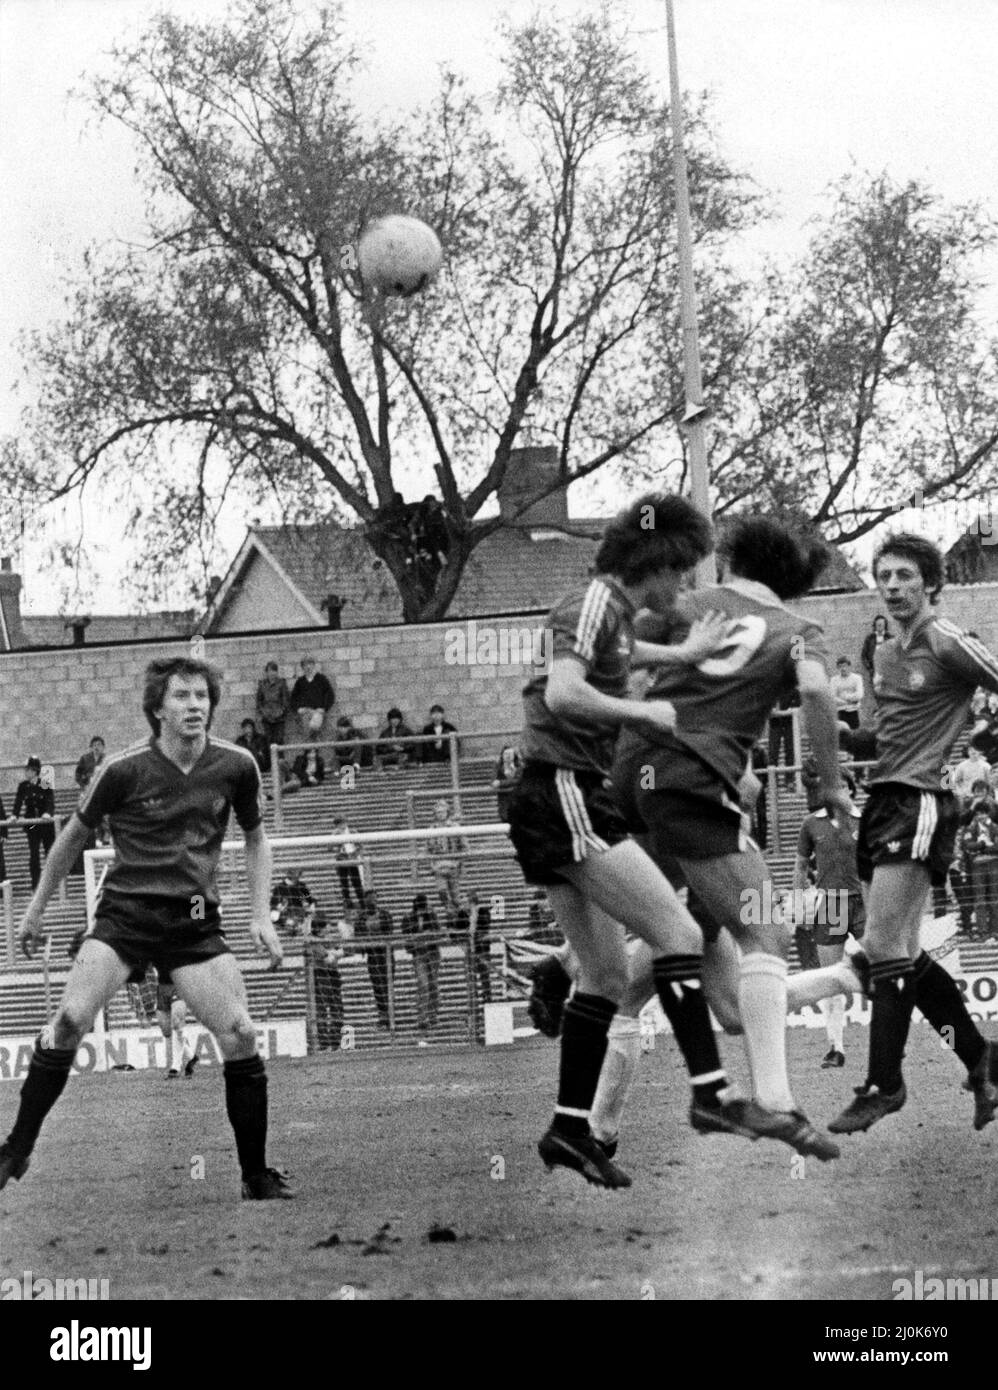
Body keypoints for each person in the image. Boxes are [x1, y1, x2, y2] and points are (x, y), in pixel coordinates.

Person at [506, 490, 757, 1190]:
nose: (682, 586)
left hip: (553, 796)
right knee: (678, 931)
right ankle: (710, 1091)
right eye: (681, 573)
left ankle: (568, 1130)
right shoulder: (589, 604)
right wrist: (644, 713)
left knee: (610, 977)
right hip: (560, 790)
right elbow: (564, 693)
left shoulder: (610, 615)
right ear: (656, 563)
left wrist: (692, 649)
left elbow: (625, 650)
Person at [602, 515, 851, 1161]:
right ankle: (775, 1101)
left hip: (631, 772)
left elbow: (616, 647)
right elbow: (820, 693)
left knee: (694, 961)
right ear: (794, 581)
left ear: (734, 558)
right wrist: (831, 786)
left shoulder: (692, 604)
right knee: (764, 930)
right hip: (691, 778)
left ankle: (593, 1124)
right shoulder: (799, 630)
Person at [0, 656, 292, 1200]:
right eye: (181, 697)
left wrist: (259, 914)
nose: (194, 706)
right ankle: (16, 1149)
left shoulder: (236, 766)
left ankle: (255, 1175)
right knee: (68, 1021)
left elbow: (256, 839)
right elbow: (69, 839)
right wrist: (36, 909)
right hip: (125, 919)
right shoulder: (122, 769)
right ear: (157, 708)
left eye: (202, 696)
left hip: (194, 923)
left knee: (241, 1034)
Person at [826, 533, 998, 1137]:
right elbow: (883, 733)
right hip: (883, 801)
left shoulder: (945, 638)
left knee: (882, 947)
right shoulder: (884, 650)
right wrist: (839, 739)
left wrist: (989, 742)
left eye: (904, 575)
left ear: (930, 582)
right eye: (884, 576)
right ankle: (982, 1057)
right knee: (900, 950)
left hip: (922, 802)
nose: (893, 585)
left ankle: (884, 1084)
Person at [793, 784, 866, 1069]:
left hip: (862, 902)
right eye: (833, 787)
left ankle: (893, 1043)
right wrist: (799, 904)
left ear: (851, 789)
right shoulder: (811, 823)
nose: (838, 792)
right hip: (832, 906)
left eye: (844, 787)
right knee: (829, 978)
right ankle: (836, 1047)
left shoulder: (864, 820)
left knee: (887, 968)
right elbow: (800, 867)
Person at [959, 781, 998, 941]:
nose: (981, 816)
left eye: (984, 813)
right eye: (979, 814)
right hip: (976, 867)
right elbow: (967, 844)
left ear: (989, 814)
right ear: (975, 815)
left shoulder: (995, 828)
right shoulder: (971, 828)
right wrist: (983, 844)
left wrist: (982, 848)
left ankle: (995, 930)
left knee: (995, 899)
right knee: (979, 900)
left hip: (994, 865)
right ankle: (982, 931)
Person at [401, 893, 441, 1043]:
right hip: (419, 954)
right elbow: (406, 936)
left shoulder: (432, 915)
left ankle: (433, 1014)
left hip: (432, 953)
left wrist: (430, 931)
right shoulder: (408, 918)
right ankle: (422, 1017)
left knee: (433, 985)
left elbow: (438, 932)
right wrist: (417, 939)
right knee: (423, 985)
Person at [12, 757, 56, 890]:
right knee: (34, 856)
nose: (26, 772)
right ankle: (35, 886)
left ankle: (51, 884)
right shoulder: (23, 786)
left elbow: (50, 800)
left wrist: (47, 812)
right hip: (33, 826)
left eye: (28, 770)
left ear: (34, 770)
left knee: (49, 853)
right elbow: (18, 802)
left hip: (45, 825)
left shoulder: (44, 783)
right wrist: (14, 815)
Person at [354, 889, 394, 1029]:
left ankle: (390, 1013)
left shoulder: (385, 914)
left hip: (386, 954)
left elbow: (390, 931)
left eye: (374, 898)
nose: (372, 901)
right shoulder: (361, 918)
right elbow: (358, 935)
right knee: (377, 986)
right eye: (369, 899)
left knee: (387, 984)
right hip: (372, 955)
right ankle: (383, 1015)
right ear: (365, 901)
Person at [307, 915, 345, 1050]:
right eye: (326, 925)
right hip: (320, 975)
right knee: (322, 1009)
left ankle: (337, 1042)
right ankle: (323, 1043)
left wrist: (333, 953)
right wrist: (333, 953)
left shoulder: (330, 938)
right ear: (319, 928)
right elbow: (327, 958)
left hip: (333, 974)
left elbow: (342, 951)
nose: (329, 928)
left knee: (337, 1007)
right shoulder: (312, 940)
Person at [155, 972, 197, 1079]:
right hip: (161, 988)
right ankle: (192, 1057)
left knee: (176, 1021)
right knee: (167, 1032)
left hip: (178, 984)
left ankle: (175, 1068)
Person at [427, 799, 466, 908]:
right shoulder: (432, 828)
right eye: (438, 812)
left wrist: (459, 862)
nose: (440, 815)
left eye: (442, 812)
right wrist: (432, 865)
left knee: (455, 896)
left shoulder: (455, 826)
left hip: (453, 864)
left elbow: (464, 846)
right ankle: (449, 910)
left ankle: (458, 914)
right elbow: (428, 849)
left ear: (447, 812)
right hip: (439, 865)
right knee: (442, 892)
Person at [289, 656, 335, 742]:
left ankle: (315, 753)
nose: (308, 667)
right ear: (302, 667)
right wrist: (298, 709)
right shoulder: (300, 682)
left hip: (317, 713)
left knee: (315, 730)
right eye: (305, 665)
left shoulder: (321, 679)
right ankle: (309, 753)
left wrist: (324, 708)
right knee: (307, 738)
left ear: (313, 665)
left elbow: (330, 695)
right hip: (306, 713)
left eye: (310, 664)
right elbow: (293, 699)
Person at [255, 661, 291, 751]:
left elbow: (286, 700)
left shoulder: (282, 683)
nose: (272, 673)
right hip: (266, 717)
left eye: (274, 671)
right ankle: (270, 763)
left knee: (279, 740)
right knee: (269, 741)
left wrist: (280, 712)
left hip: (279, 717)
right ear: (266, 672)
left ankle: (280, 761)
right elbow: (259, 701)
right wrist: (263, 712)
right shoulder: (262, 684)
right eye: (270, 671)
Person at [270, 867, 316, 936]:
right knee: (275, 916)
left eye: (298, 872)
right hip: (286, 913)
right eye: (294, 872)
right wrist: (280, 907)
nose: (298, 874)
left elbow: (309, 900)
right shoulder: (279, 887)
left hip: (299, 912)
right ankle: (292, 927)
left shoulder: (302, 886)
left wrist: (311, 906)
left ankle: (299, 928)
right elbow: (274, 903)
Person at [330, 816, 364, 910]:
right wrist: (338, 851)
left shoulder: (353, 832)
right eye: (339, 824)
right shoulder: (335, 834)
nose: (342, 825)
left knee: (356, 882)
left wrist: (355, 854)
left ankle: (362, 901)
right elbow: (330, 848)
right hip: (342, 860)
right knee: (344, 882)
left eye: (343, 823)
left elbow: (361, 846)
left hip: (352, 860)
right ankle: (347, 901)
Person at [951, 732, 992, 802]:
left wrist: (988, 796)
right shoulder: (961, 766)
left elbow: (989, 783)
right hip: (967, 797)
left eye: (975, 749)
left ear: (980, 751)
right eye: (970, 749)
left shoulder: (986, 766)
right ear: (967, 752)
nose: (973, 752)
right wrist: (961, 793)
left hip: (982, 797)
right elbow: (955, 782)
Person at [830, 656, 864, 730]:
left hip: (853, 711)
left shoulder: (857, 678)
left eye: (845, 666)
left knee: (854, 735)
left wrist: (845, 696)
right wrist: (847, 702)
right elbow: (832, 697)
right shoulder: (834, 680)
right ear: (838, 668)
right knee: (842, 735)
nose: (843, 669)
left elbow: (859, 695)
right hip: (840, 711)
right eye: (840, 667)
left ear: (849, 666)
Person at [492, 745, 523, 824]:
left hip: (517, 799)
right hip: (504, 802)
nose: (508, 756)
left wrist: (501, 783)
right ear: (502, 755)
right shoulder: (498, 766)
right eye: (506, 754)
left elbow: (518, 780)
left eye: (510, 754)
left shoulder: (519, 767)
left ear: (514, 755)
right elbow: (493, 781)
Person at [860, 613, 892, 688]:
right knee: (877, 692)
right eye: (878, 624)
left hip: (888, 671)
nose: (880, 626)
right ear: (875, 626)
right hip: (875, 671)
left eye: (881, 624)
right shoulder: (870, 638)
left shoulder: (890, 638)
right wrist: (869, 668)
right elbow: (863, 656)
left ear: (885, 625)